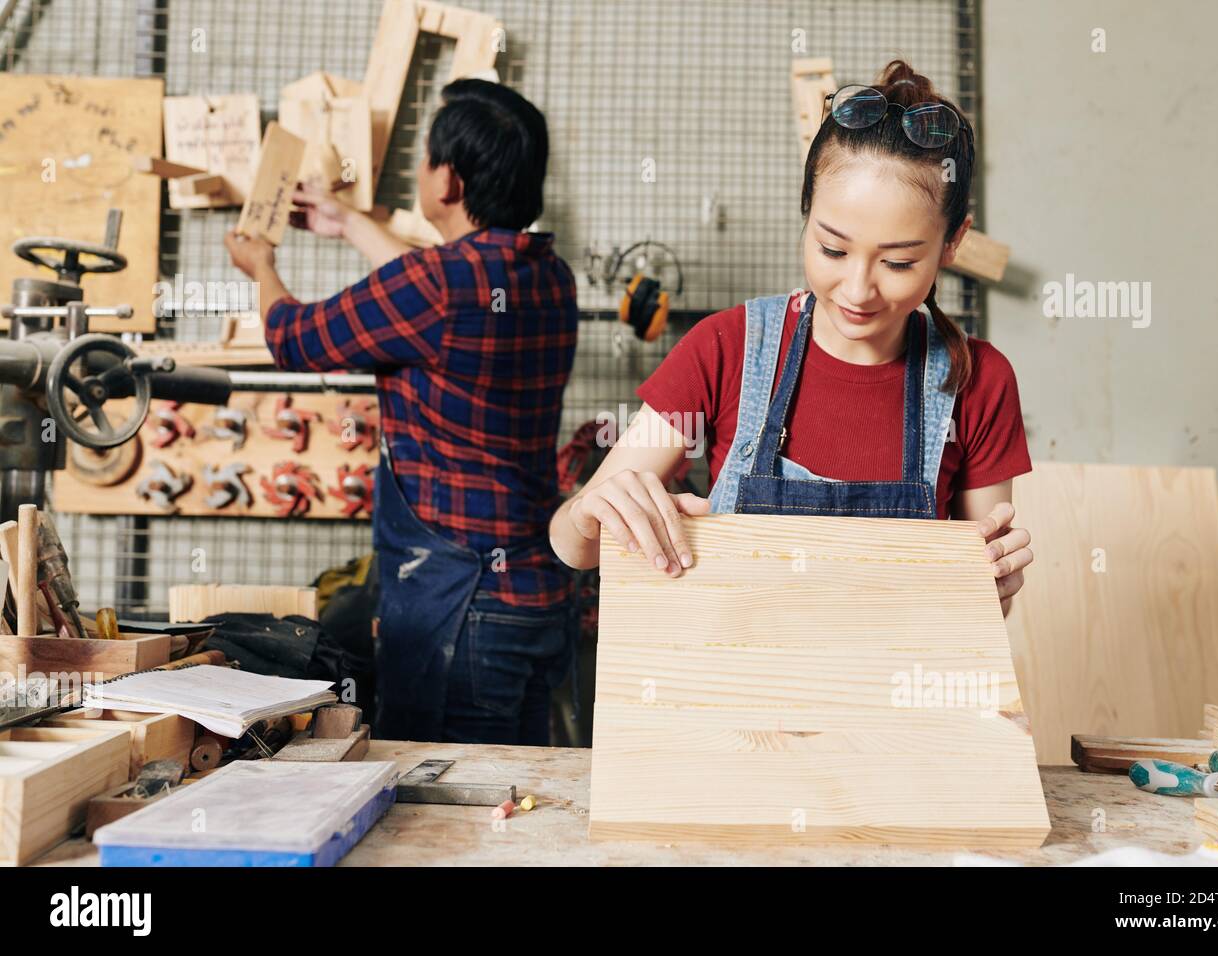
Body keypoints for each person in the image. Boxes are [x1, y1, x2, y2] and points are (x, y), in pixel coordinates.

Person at [549, 60, 1033, 613]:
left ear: (953, 243)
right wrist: (591, 511)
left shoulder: (977, 381)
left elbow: (983, 608)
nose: (857, 289)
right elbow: (573, 545)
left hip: (891, 691)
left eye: (898, 263)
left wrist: (991, 587)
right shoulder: (728, 349)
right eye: (832, 249)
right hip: (736, 685)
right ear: (806, 212)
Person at [225, 79, 578, 745]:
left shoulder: (437, 288)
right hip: (531, 600)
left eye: (423, 159)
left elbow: (293, 338)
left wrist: (260, 267)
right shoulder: (548, 275)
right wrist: (347, 221)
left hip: (458, 608)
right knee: (514, 799)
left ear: (446, 181)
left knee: (443, 809)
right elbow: (439, 288)